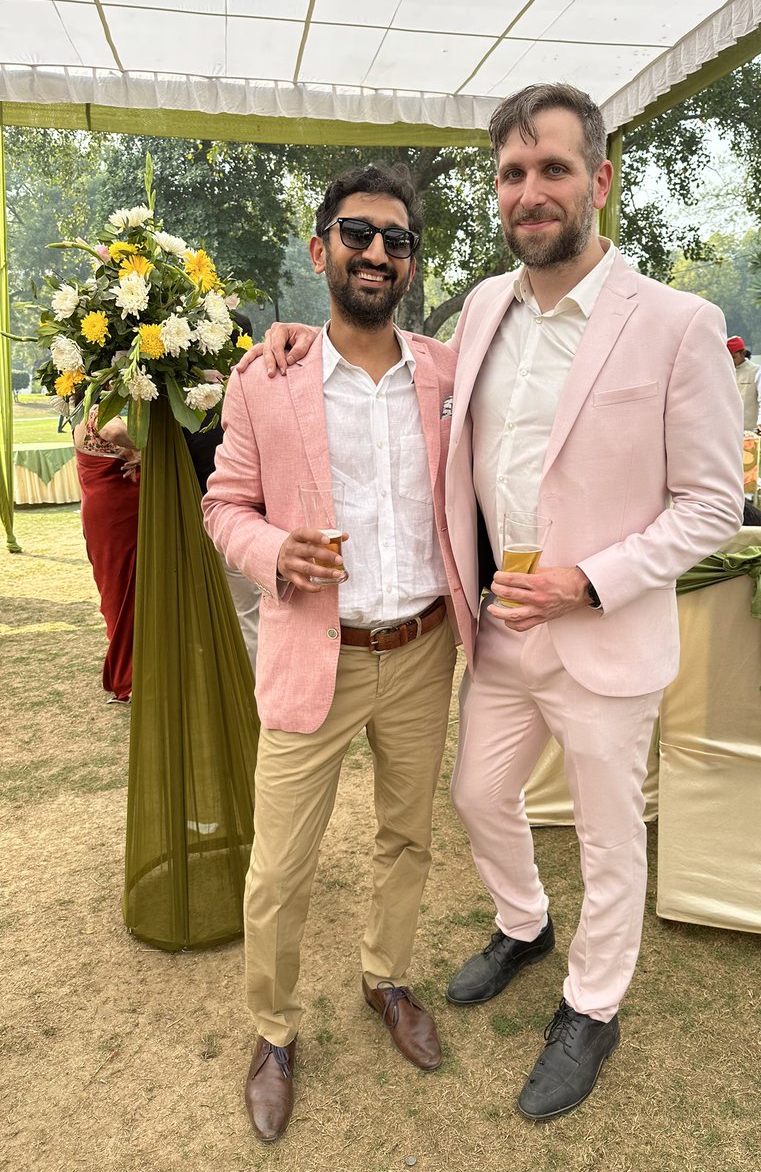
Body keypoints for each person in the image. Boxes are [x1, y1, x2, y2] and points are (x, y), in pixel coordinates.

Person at [239, 82, 744, 1121]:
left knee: (609, 839)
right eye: (512, 173)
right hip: (501, 638)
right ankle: (524, 922)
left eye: (553, 168)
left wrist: (588, 581)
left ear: (600, 180)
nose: (530, 191)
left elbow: (712, 506)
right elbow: (373, 357)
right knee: (474, 798)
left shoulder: (679, 323)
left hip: (604, 634)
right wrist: (298, 333)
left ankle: (593, 1007)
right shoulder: (480, 311)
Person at [202, 163, 472, 1144]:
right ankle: (273, 1031)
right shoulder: (265, 380)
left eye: (396, 240)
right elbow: (223, 505)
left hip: (424, 649)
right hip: (314, 650)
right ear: (320, 249)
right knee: (280, 866)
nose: (376, 253)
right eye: (357, 233)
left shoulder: (448, 374)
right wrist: (276, 550)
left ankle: (386, 978)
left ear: (412, 263)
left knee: (408, 836)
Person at [183, 312, 261, 671]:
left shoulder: (196, 403)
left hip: (224, 519)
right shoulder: (247, 394)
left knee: (245, 612)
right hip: (233, 519)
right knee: (248, 612)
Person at [73, 402, 141, 704]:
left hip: (103, 514)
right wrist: (145, 447)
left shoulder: (80, 417)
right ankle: (127, 678)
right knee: (122, 593)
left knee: (118, 592)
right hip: (116, 517)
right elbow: (114, 431)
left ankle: (129, 668)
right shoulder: (98, 409)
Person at [727, 335, 761, 435]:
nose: (731, 361)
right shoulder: (724, 372)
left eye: (734, 357)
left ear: (743, 354)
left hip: (749, 432)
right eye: (728, 357)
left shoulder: (758, 371)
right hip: (727, 430)